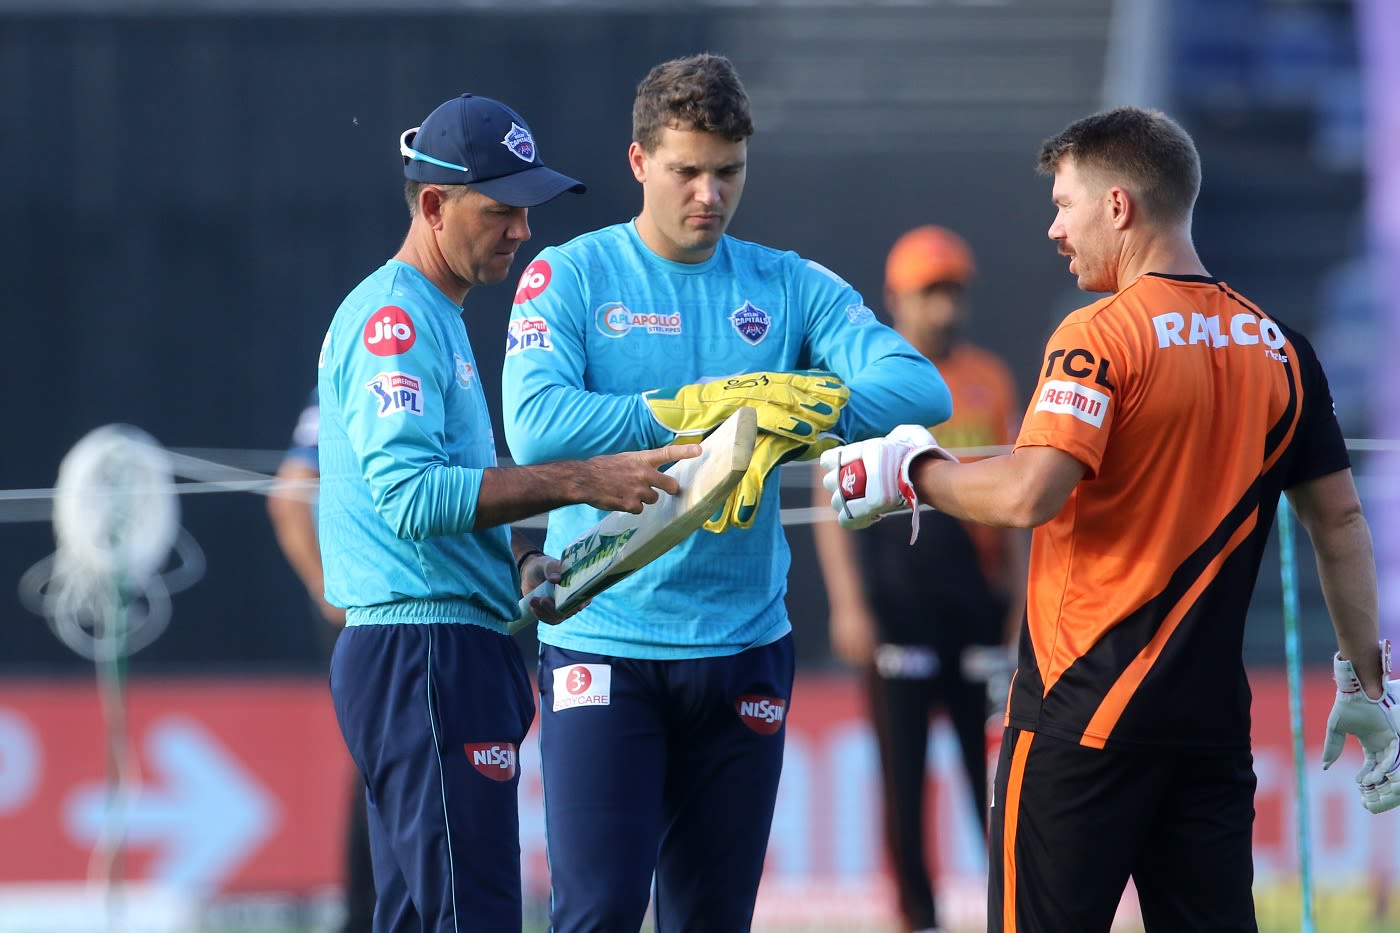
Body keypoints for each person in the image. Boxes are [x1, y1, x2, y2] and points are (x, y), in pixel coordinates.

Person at [821, 105, 1398, 932]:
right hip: (1207, 735)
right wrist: (1366, 679)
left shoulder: (1098, 334)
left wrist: (912, 472)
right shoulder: (1282, 348)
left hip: (1079, 718)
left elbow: (1028, 494)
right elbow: (1340, 524)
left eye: (1064, 204)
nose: (1055, 228)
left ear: (1118, 206)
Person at [501, 53, 951, 932]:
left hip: (744, 643)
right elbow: (536, 426)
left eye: (729, 172)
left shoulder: (787, 283)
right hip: (604, 643)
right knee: (597, 914)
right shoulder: (573, 275)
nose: (709, 194)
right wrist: (706, 409)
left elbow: (919, 389)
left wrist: (796, 412)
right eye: (686, 171)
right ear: (639, 163)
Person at [316, 92, 704, 932]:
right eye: (501, 210)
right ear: (433, 205)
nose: (522, 231)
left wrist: (517, 560)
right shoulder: (395, 320)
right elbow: (412, 497)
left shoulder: (437, 316)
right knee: (474, 913)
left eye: (527, 209)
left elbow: (442, 490)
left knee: (426, 916)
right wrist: (580, 480)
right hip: (426, 652)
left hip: (442, 647)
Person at [811, 225, 1024, 933]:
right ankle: (916, 916)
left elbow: (1020, 502)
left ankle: (1013, 908)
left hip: (975, 607)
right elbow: (825, 497)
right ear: (896, 298)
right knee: (902, 776)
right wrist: (848, 604)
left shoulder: (990, 379)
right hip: (896, 607)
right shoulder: (866, 387)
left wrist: (1019, 609)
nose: (945, 305)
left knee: (994, 776)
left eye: (954, 289)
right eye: (931, 291)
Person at [266, 390, 374, 933]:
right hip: (385, 609)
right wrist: (326, 586)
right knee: (389, 766)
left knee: (383, 766)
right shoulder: (378, 362)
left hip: (390, 609)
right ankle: (367, 916)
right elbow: (290, 493)